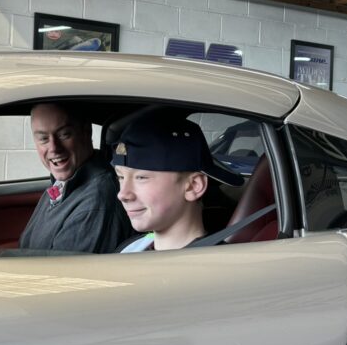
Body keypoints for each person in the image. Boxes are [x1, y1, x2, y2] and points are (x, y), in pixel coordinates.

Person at [110, 115, 244, 251]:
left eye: (141, 178)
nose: (122, 195)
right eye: (120, 177)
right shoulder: (130, 248)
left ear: (193, 186)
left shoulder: (219, 261)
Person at [18, 103, 132, 252]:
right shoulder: (63, 182)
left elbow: (60, 266)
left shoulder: (96, 201)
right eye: (43, 139)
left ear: (86, 132)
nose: (54, 148)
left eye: (64, 134)